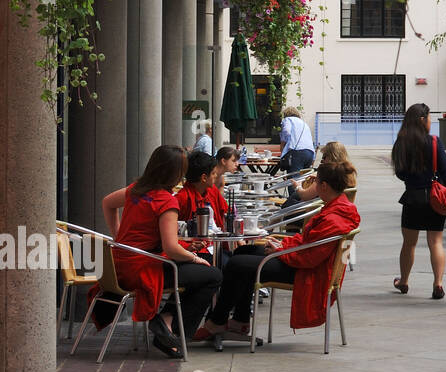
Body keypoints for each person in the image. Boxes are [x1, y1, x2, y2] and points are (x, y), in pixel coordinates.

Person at [196, 160, 361, 341]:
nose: (313, 186)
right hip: (303, 262)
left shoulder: (334, 218)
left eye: (316, 182)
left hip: (307, 272)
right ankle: (239, 321)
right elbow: (309, 244)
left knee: (237, 264)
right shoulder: (338, 209)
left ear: (324, 186)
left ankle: (217, 322)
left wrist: (282, 251)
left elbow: (311, 257)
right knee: (244, 253)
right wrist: (283, 246)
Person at [100, 146, 222, 358]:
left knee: (196, 269)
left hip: (118, 265)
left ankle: (166, 320)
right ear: (176, 173)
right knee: (212, 274)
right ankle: (169, 325)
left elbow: (107, 203)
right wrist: (194, 257)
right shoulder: (166, 201)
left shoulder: (135, 189)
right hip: (142, 270)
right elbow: (171, 248)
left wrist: (118, 236)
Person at [391, 103, 446, 299]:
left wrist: (414, 179)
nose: (431, 121)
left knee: (409, 243)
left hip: (412, 197)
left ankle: (403, 281)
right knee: (436, 242)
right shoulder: (435, 142)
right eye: (429, 117)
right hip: (435, 198)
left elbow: (400, 173)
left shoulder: (401, 143)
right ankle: (438, 284)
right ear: (422, 120)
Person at [276, 106, 316, 173]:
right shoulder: (303, 123)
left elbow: (287, 131)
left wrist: (283, 143)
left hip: (297, 152)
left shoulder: (288, 119)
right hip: (310, 153)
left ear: (285, 114)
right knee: (303, 179)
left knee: (294, 178)